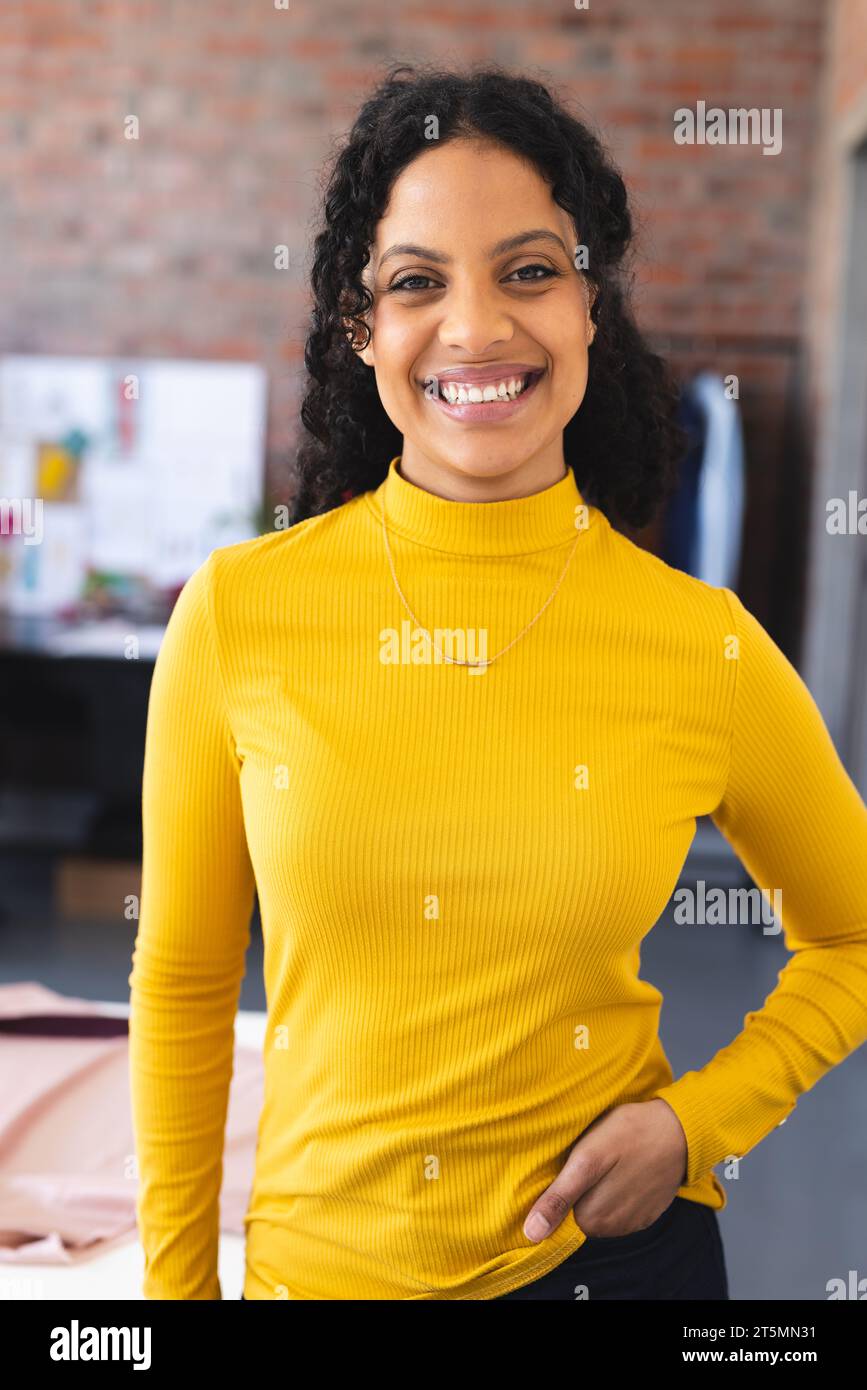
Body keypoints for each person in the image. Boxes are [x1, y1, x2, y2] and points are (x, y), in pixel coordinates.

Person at [129, 62, 867, 1301]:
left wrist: (698, 1126)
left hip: (614, 1269)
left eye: (530, 270)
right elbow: (186, 982)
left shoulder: (704, 643)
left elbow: (853, 933)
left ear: (590, 306)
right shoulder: (239, 613)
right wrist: (175, 1297)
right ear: (362, 328)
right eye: (418, 281)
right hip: (322, 1276)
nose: (477, 328)